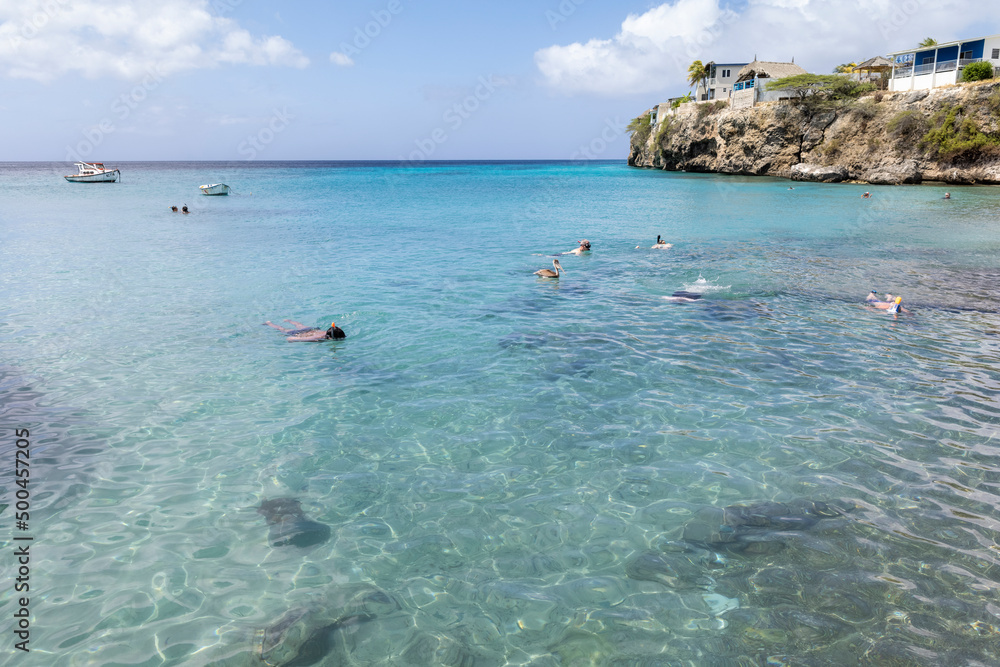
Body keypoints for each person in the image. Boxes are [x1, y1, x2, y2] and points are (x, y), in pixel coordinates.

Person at [264, 320, 346, 342]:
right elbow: (290, 338)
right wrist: (294, 339)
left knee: (300, 325)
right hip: (300, 334)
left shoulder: (329, 331)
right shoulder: (317, 338)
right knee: (282, 329)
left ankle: (288, 320)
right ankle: (269, 323)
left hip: (313, 330)